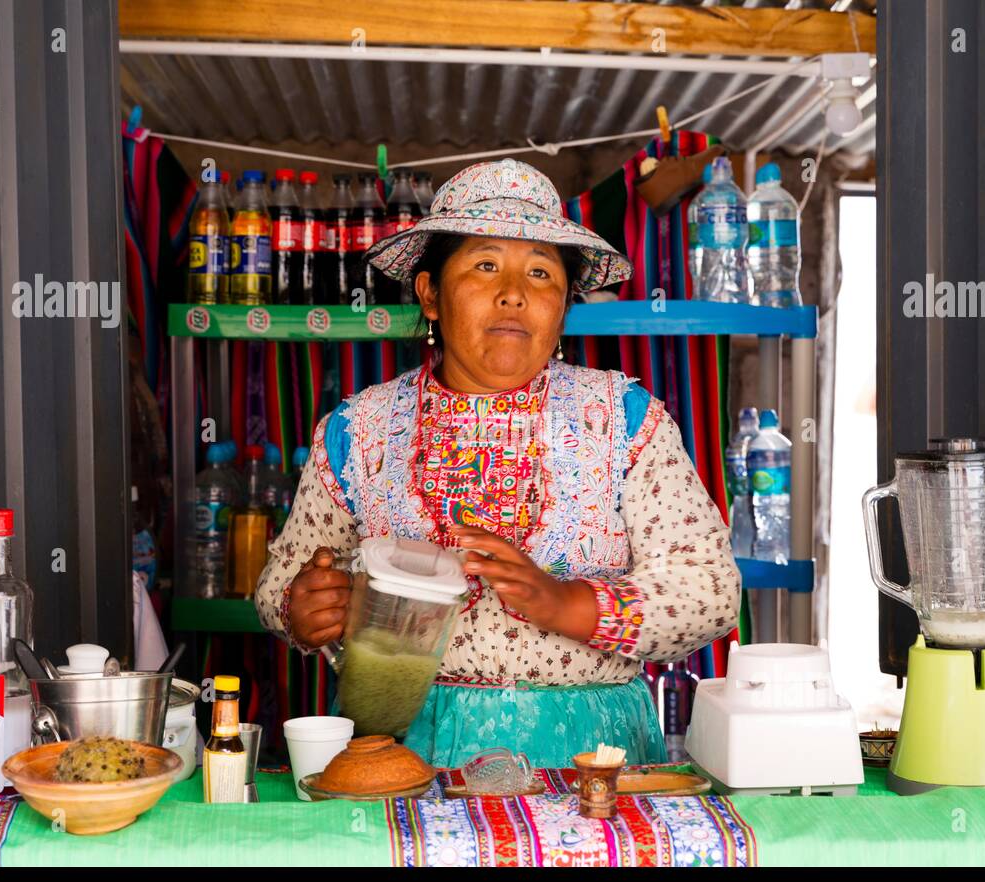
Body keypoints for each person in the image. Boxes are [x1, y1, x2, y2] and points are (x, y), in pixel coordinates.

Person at [255, 158, 741, 767]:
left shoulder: (624, 419)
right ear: (431, 293)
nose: (514, 292)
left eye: (540, 273)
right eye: (485, 265)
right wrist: (303, 610)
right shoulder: (359, 430)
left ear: (563, 306)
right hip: (399, 752)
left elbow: (711, 591)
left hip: (592, 761)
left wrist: (566, 603)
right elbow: (279, 587)